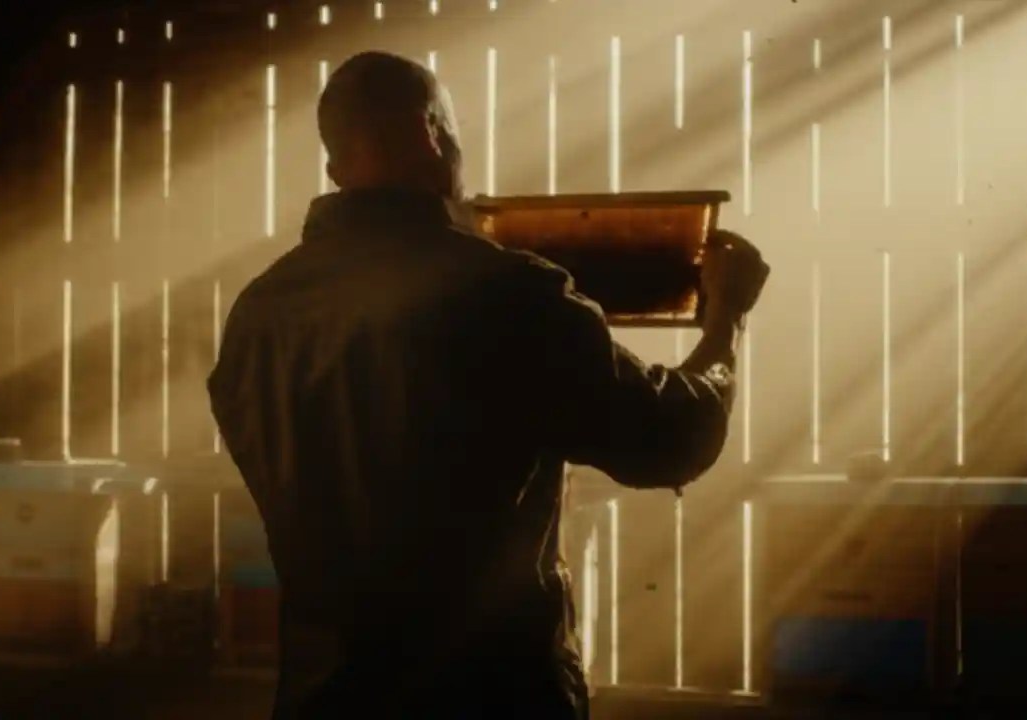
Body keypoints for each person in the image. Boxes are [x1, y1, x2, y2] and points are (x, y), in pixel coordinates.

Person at [207, 51, 768, 720]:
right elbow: (672, 439)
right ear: (431, 133)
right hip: (491, 696)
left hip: (325, 698)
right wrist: (726, 321)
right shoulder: (507, 293)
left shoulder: (258, 314)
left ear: (335, 169)